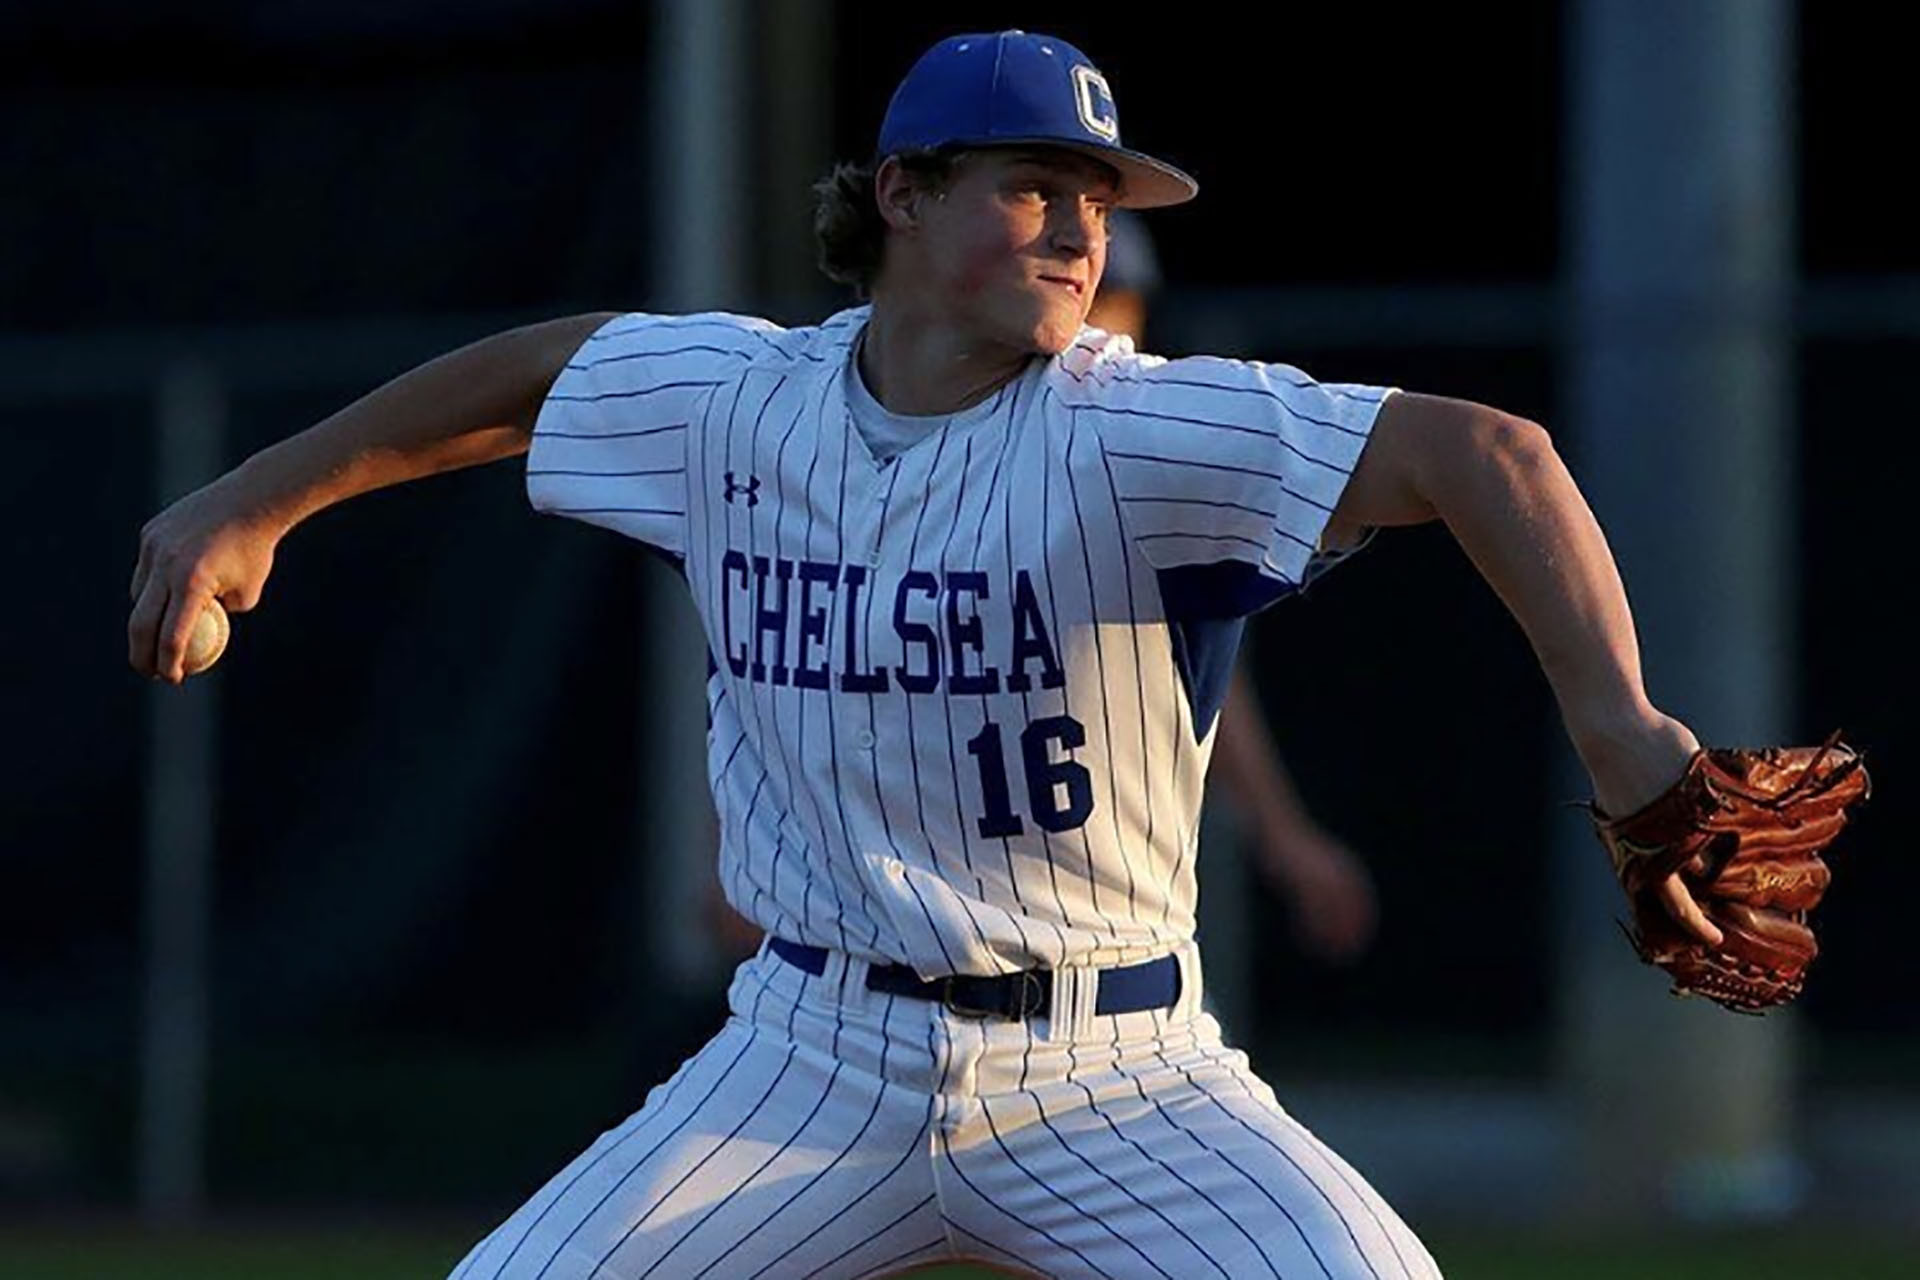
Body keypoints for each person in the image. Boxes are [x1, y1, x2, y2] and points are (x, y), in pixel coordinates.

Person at [129, 30, 1723, 1279]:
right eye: (1035, 186)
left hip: (1119, 1075)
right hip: (808, 1061)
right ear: (901, 193)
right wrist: (256, 503)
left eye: (1100, 202)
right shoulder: (734, 400)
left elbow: (1491, 455)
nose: (1081, 231)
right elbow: (533, 381)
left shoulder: (1138, 429)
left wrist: (1624, 728)